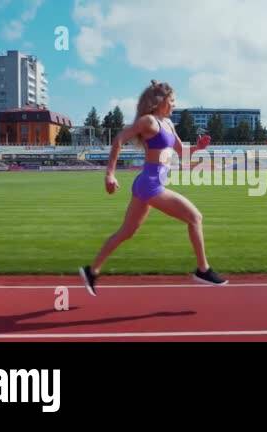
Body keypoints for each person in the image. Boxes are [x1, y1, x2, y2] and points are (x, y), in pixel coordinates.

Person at [79, 80, 228, 296]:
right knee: (195, 217)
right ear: (161, 101)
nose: (175, 104)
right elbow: (119, 139)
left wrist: (198, 147)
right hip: (150, 185)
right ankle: (203, 269)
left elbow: (183, 154)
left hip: (145, 184)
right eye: (173, 100)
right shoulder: (149, 122)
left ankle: (92, 271)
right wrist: (110, 173)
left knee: (126, 232)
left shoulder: (168, 124)